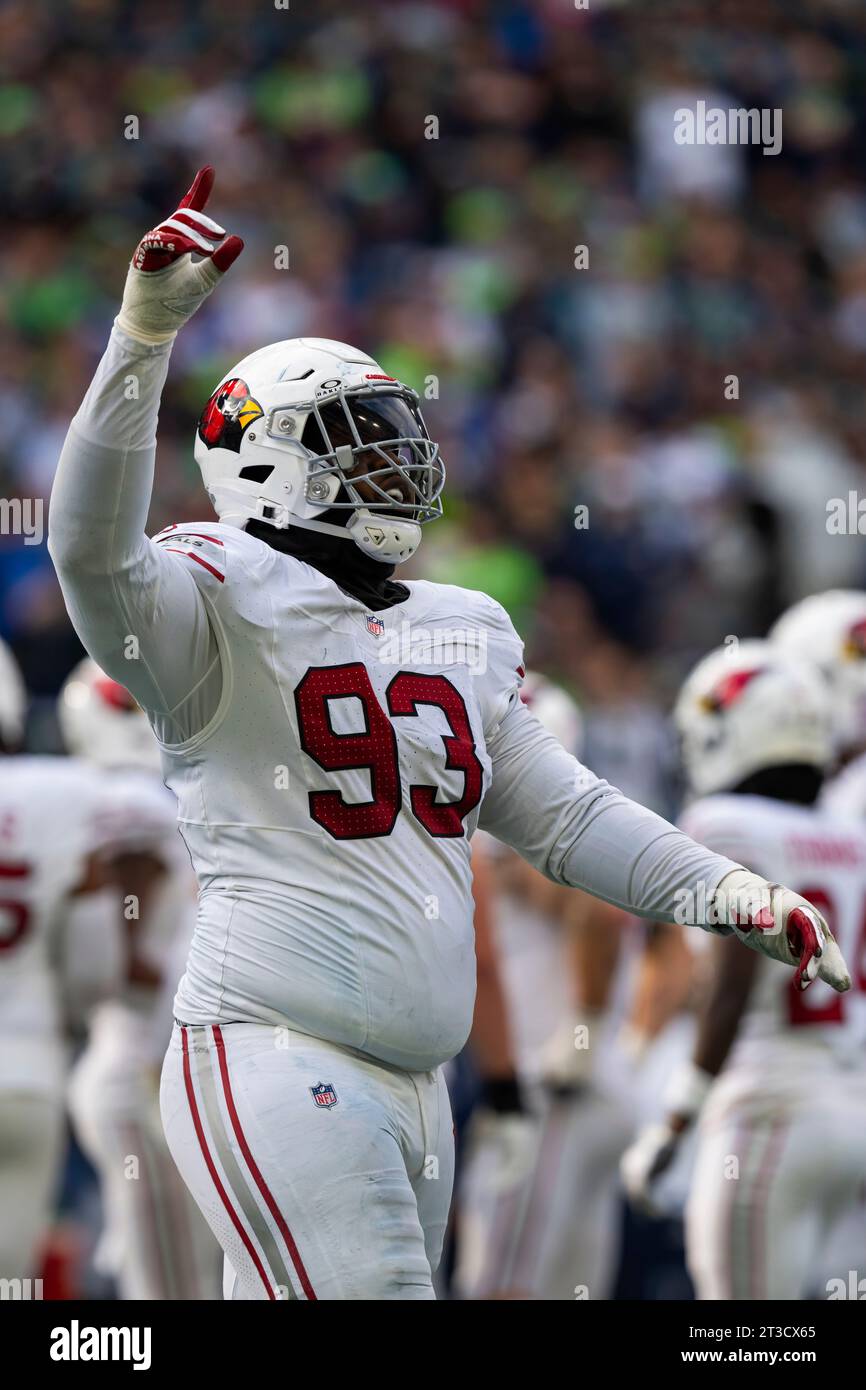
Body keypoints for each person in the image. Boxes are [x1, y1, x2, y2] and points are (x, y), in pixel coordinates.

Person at [48, 167, 849, 1301]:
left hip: (418, 1082)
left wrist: (726, 892)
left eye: (392, 433)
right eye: (356, 438)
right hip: (273, 1047)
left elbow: (564, 814)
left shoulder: (458, 623)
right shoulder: (213, 595)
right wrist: (139, 340)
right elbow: (86, 551)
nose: (395, 459)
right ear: (270, 459)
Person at [621, 640, 866, 1299]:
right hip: (850, 1109)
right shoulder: (850, 830)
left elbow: (731, 989)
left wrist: (675, 1119)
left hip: (769, 1107)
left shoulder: (723, 822)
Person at [59, 660, 222, 1299]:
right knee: (175, 1288)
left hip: (136, 1066)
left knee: (173, 1278)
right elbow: (123, 960)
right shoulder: (136, 805)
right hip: (145, 1074)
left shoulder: (115, 797)